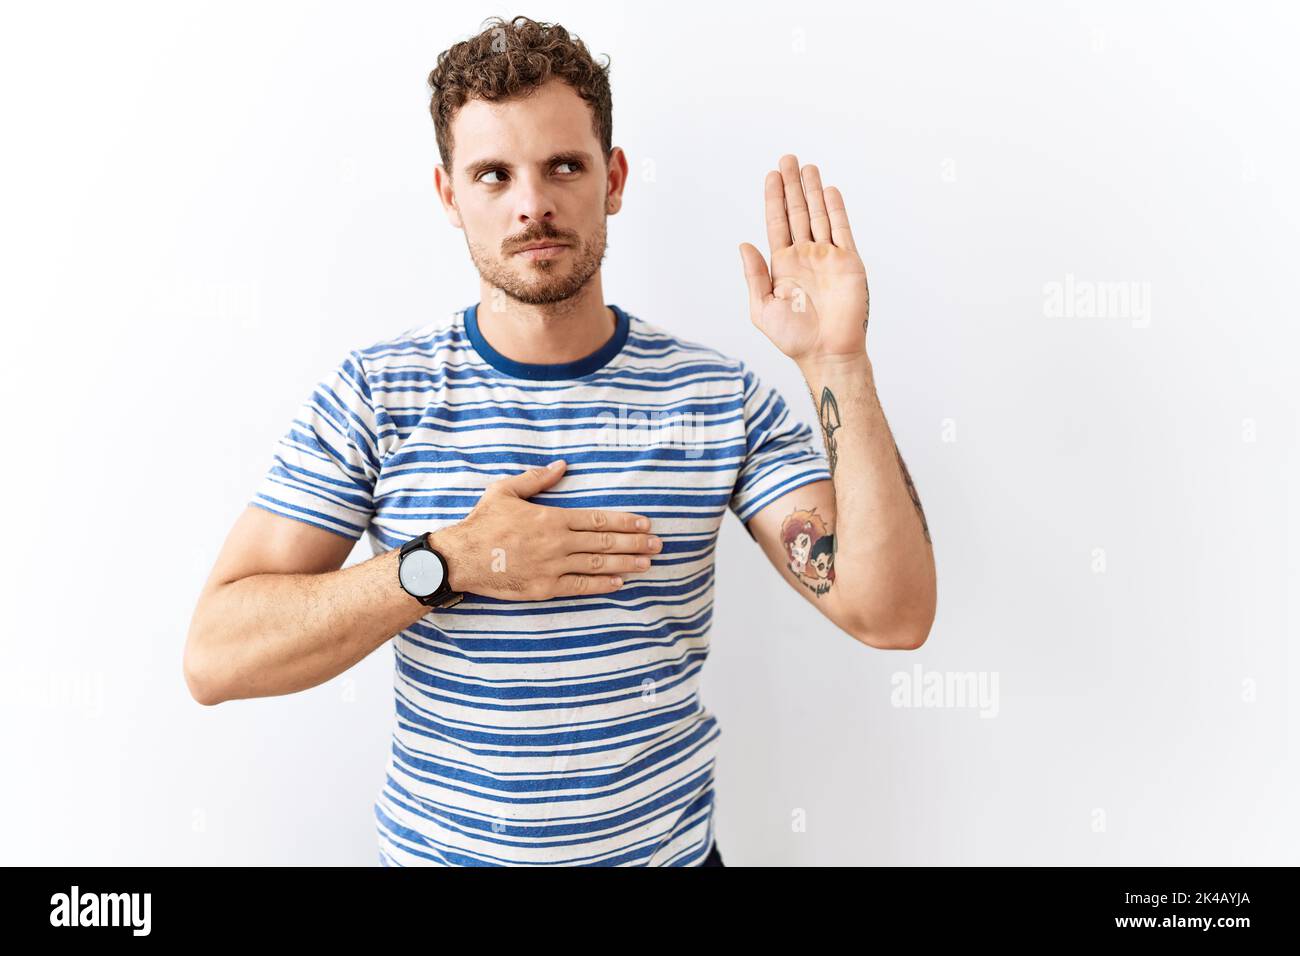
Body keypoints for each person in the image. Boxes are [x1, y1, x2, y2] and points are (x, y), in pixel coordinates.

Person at [183, 15, 936, 867]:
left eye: (563, 166)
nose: (531, 203)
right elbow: (216, 655)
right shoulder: (377, 394)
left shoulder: (716, 397)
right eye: (493, 174)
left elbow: (892, 614)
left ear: (613, 178)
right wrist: (450, 563)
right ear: (448, 194)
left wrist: (838, 361)